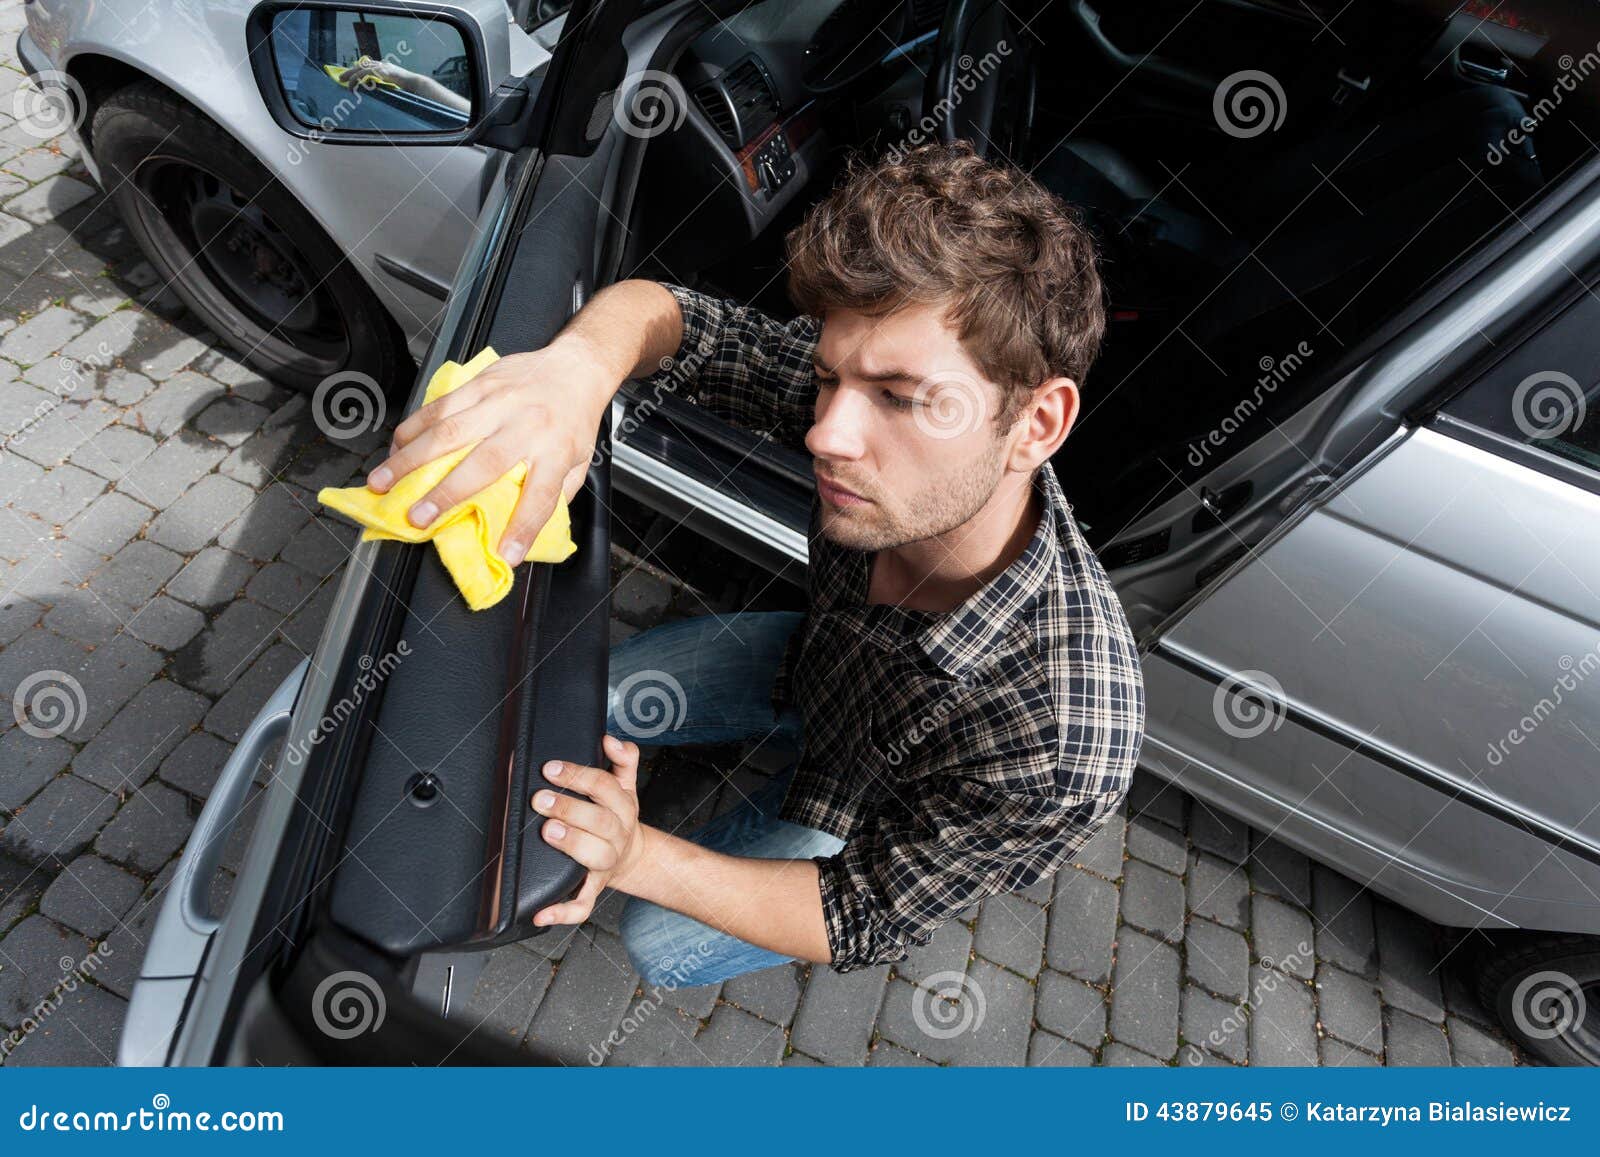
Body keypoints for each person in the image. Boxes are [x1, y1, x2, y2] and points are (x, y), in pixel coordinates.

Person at [364, 141, 1146, 983]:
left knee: (657, 942)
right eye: (825, 379)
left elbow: (860, 913)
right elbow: (678, 319)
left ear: (1036, 424)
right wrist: (577, 371)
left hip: (872, 800)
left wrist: (634, 854)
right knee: (598, 698)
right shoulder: (856, 413)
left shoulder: (1067, 738)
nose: (825, 435)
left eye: (898, 397)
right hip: (809, 663)